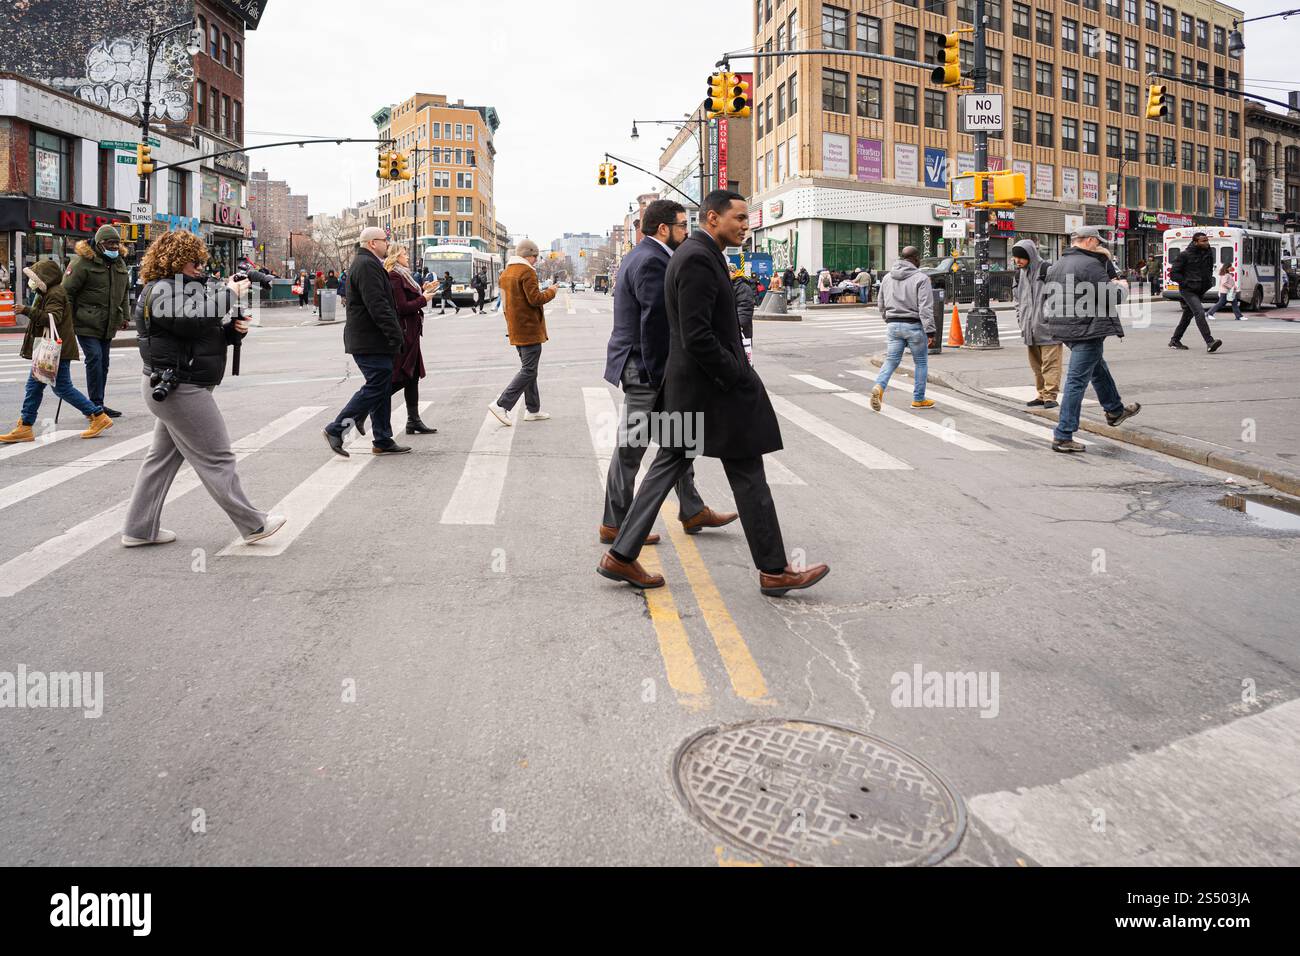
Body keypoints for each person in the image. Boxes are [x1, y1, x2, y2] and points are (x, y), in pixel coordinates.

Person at [597, 190, 829, 598]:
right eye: (738, 217)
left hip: (692, 390)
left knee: (670, 466)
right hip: (710, 391)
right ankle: (773, 570)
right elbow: (697, 334)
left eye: (747, 218)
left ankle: (621, 552)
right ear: (712, 218)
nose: (745, 225)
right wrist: (736, 374)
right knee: (747, 471)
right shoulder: (699, 258)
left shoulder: (697, 254)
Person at [121, 229, 284, 547]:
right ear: (176, 260)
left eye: (201, 259)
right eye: (193, 260)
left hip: (176, 385)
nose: (200, 264)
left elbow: (197, 334)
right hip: (180, 387)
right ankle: (254, 525)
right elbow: (192, 321)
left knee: (161, 460)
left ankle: (138, 530)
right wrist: (230, 294)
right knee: (217, 457)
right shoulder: (162, 290)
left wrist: (231, 332)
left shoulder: (177, 288)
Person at [599, 200, 738, 546]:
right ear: (664, 229)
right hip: (647, 369)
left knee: (679, 438)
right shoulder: (652, 261)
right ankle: (615, 523)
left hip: (644, 366)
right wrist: (666, 375)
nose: (686, 232)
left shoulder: (645, 255)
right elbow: (655, 326)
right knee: (632, 447)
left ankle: (691, 509)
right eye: (681, 225)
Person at [1043, 226, 1141, 454]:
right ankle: (1063, 434)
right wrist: (1122, 288)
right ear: (1087, 241)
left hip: (1065, 328)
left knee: (1097, 369)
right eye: (1097, 242)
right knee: (1076, 382)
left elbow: (1050, 296)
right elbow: (1111, 296)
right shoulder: (1090, 265)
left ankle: (1115, 410)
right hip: (1087, 329)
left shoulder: (1058, 264)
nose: (1099, 246)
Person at [0, 259, 113, 444]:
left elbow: (53, 317)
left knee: (61, 387)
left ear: (44, 278)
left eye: (34, 278)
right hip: (49, 350)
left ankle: (97, 415)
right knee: (34, 386)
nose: (32, 282)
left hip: (54, 350)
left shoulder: (55, 293)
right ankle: (25, 426)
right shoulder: (48, 292)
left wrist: (26, 310)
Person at [323, 227, 410, 458]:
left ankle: (382, 438)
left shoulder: (368, 263)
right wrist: (396, 335)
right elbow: (378, 305)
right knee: (377, 384)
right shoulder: (367, 265)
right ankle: (337, 428)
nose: (387, 244)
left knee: (380, 387)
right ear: (372, 243)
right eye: (385, 240)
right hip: (370, 340)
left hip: (371, 339)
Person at [64, 223, 130, 418]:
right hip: (85, 322)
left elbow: (124, 292)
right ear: (99, 243)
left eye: (116, 244)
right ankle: (94, 406)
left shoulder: (120, 263)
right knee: (95, 359)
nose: (113, 248)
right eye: (110, 244)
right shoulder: (81, 263)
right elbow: (66, 293)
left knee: (104, 364)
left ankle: (98, 403)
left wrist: (124, 315)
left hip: (108, 323)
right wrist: (65, 321)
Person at [488, 240, 556, 424]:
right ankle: (501, 405)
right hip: (529, 329)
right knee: (528, 370)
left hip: (515, 329)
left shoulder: (506, 273)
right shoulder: (526, 271)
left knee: (530, 370)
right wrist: (551, 291)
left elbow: (507, 303)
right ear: (529, 255)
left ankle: (533, 410)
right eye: (535, 257)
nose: (536, 261)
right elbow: (535, 299)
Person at [869, 247, 937, 413]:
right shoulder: (922, 278)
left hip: (893, 325)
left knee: (891, 360)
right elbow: (925, 308)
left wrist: (889, 320)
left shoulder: (887, 277)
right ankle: (918, 399)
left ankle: (879, 386)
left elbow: (881, 303)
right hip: (913, 325)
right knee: (920, 362)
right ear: (914, 258)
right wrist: (930, 331)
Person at [385, 245, 438, 435]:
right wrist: (423, 299)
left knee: (413, 376)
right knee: (401, 376)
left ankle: (413, 420)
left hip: (412, 332)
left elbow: (409, 297)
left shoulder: (404, 275)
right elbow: (401, 307)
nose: (407, 256)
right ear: (396, 256)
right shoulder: (394, 276)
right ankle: (368, 405)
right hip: (404, 332)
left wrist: (424, 290)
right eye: (405, 254)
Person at [1011, 239, 1061, 409]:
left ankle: (1050, 396)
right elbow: (1017, 300)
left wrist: (1050, 319)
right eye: (1015, 257)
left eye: (1021, 257)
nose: (1017, 261)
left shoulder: (1047, 270)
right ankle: (1041, 394)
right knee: (1036, 366)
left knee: (1050, 364)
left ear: (1030, 255)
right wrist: (1021, 319)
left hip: (1048, 328)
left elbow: (1057, 299)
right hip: (1029, 328)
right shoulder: (1019, 274)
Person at [1169, 231, 1222, 353]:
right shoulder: (1185, 255)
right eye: (1203, 241)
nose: (1206, 243)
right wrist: (1186, 283)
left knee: (1187, 317)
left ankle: (1175, 340)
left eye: (1207, 240)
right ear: (1195, 242)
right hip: (1188, 290)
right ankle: (1209, 342)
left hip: (1201, 289)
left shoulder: (1208, 253)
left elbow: (1208, 270)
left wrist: (1207, 283)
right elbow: (1174, 274)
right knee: (1199, 312)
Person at [732, 264, 756, 366]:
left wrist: (738, 324)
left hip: (740, 329)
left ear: (733, 272)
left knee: (742, 361)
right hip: (732, 329)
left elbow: (745, 308)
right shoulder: (730, 285)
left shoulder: (742, 287)